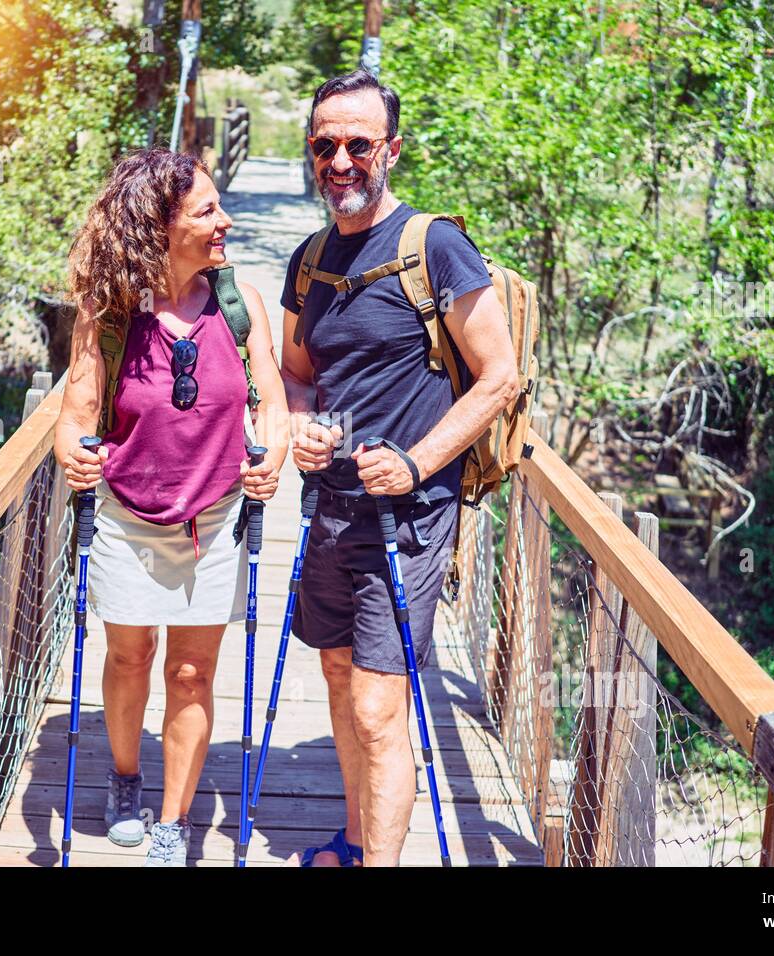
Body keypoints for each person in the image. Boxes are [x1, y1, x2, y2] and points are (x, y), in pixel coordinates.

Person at [280, 70, 521, 866]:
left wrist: (416, 464)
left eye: (358, 144)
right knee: (340, 678)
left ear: (391, 149)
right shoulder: (310, 259)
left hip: (410, 518)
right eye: (324, 145)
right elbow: (295, 373)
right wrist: (301, 424)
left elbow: (500, 377)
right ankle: (355, 843)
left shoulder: (435, 247)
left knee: (379, 711)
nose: (339, 161)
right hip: (331, 507)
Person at [55, 147, 289, 867]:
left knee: (191, 673)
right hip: (126, 515)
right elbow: (75, 414)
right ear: (160, 228)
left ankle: (173, 821)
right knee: (130, 656)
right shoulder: (109, 313)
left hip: (214, 520)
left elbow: (272, 405)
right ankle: (125, 779)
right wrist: (72, 454)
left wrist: (273, 453)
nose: (225, 222)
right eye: (207, 211)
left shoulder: (239, 306)